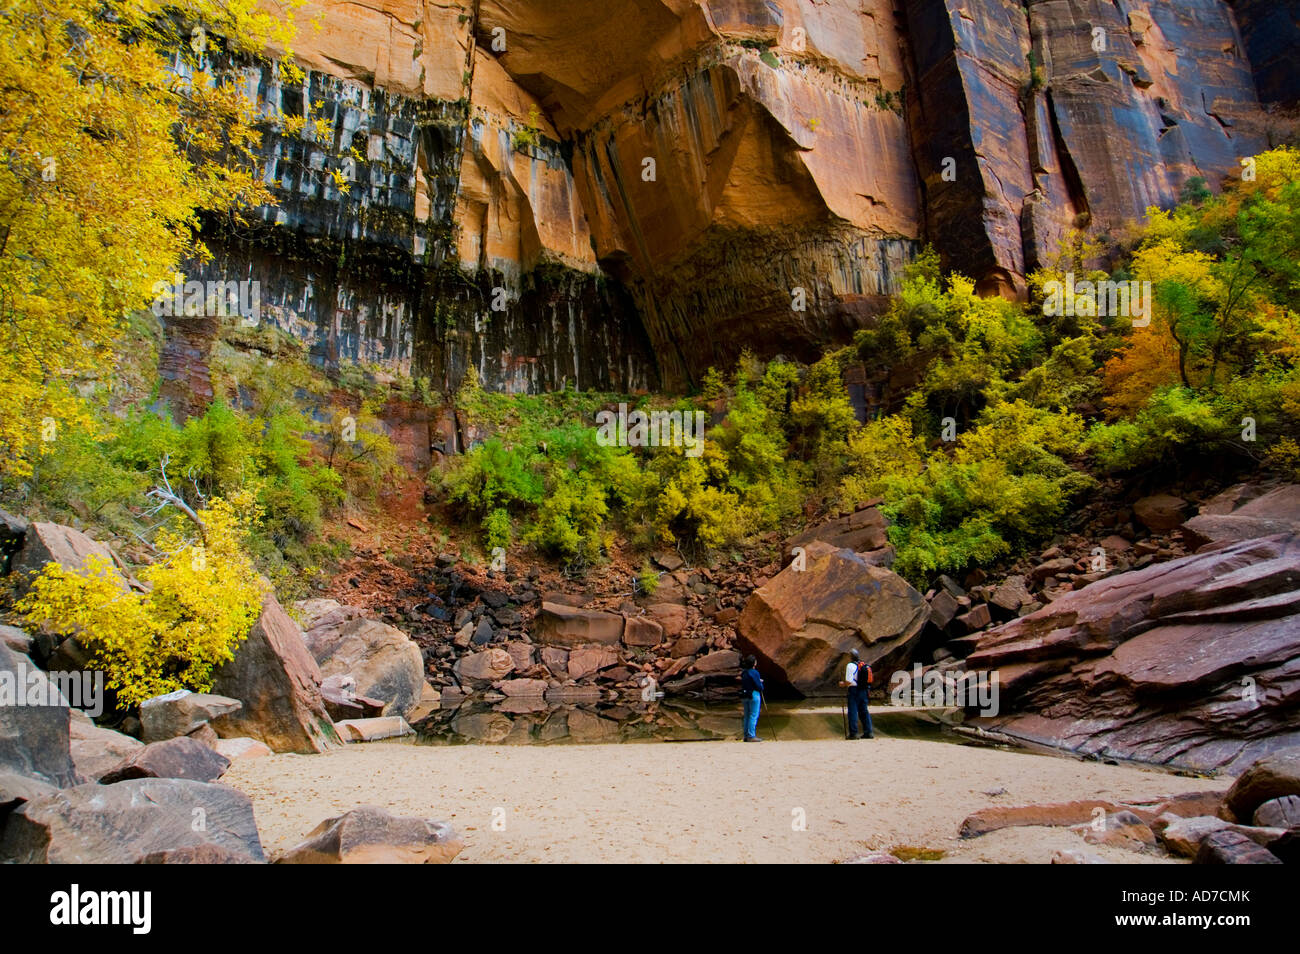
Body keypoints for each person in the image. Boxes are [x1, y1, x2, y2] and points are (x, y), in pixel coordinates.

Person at [844, 649, 874, 740]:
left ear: (851, 656)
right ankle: (868, 732)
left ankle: (854, 733)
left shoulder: (850, 665)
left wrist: (842, 684)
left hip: (854, 690)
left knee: (853, 711)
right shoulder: (864, 665)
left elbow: (849, 681)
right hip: (864, 690)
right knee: (864, 711)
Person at [740, 654, 764, 742]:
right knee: (753, 715)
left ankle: (746, 735)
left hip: (745, 695)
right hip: (753, 694)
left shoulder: (744, 672)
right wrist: (761, 684)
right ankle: (751, 735)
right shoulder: (755, 672)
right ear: (754, 663)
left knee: (746, 715)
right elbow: (759, 686)